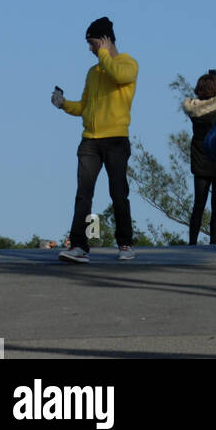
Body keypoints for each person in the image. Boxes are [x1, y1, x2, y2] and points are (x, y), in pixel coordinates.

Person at [52, 16, 139, 264]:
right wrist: (63, 104)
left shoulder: (127, 63)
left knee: (118, 192)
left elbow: (119, 77)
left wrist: (103, 54)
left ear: (105, 39)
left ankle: (125, 244)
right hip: (90, 140)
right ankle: (79, 246)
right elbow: (85, 106)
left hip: (116, 139)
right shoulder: (92, 72)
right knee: (83, 194)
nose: (90, 49)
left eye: (92, 42)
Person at [182, 70, 216, 246]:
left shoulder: (193, 110)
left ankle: (192, 241)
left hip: (200, 160)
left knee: (198, 205)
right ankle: (213, 242)